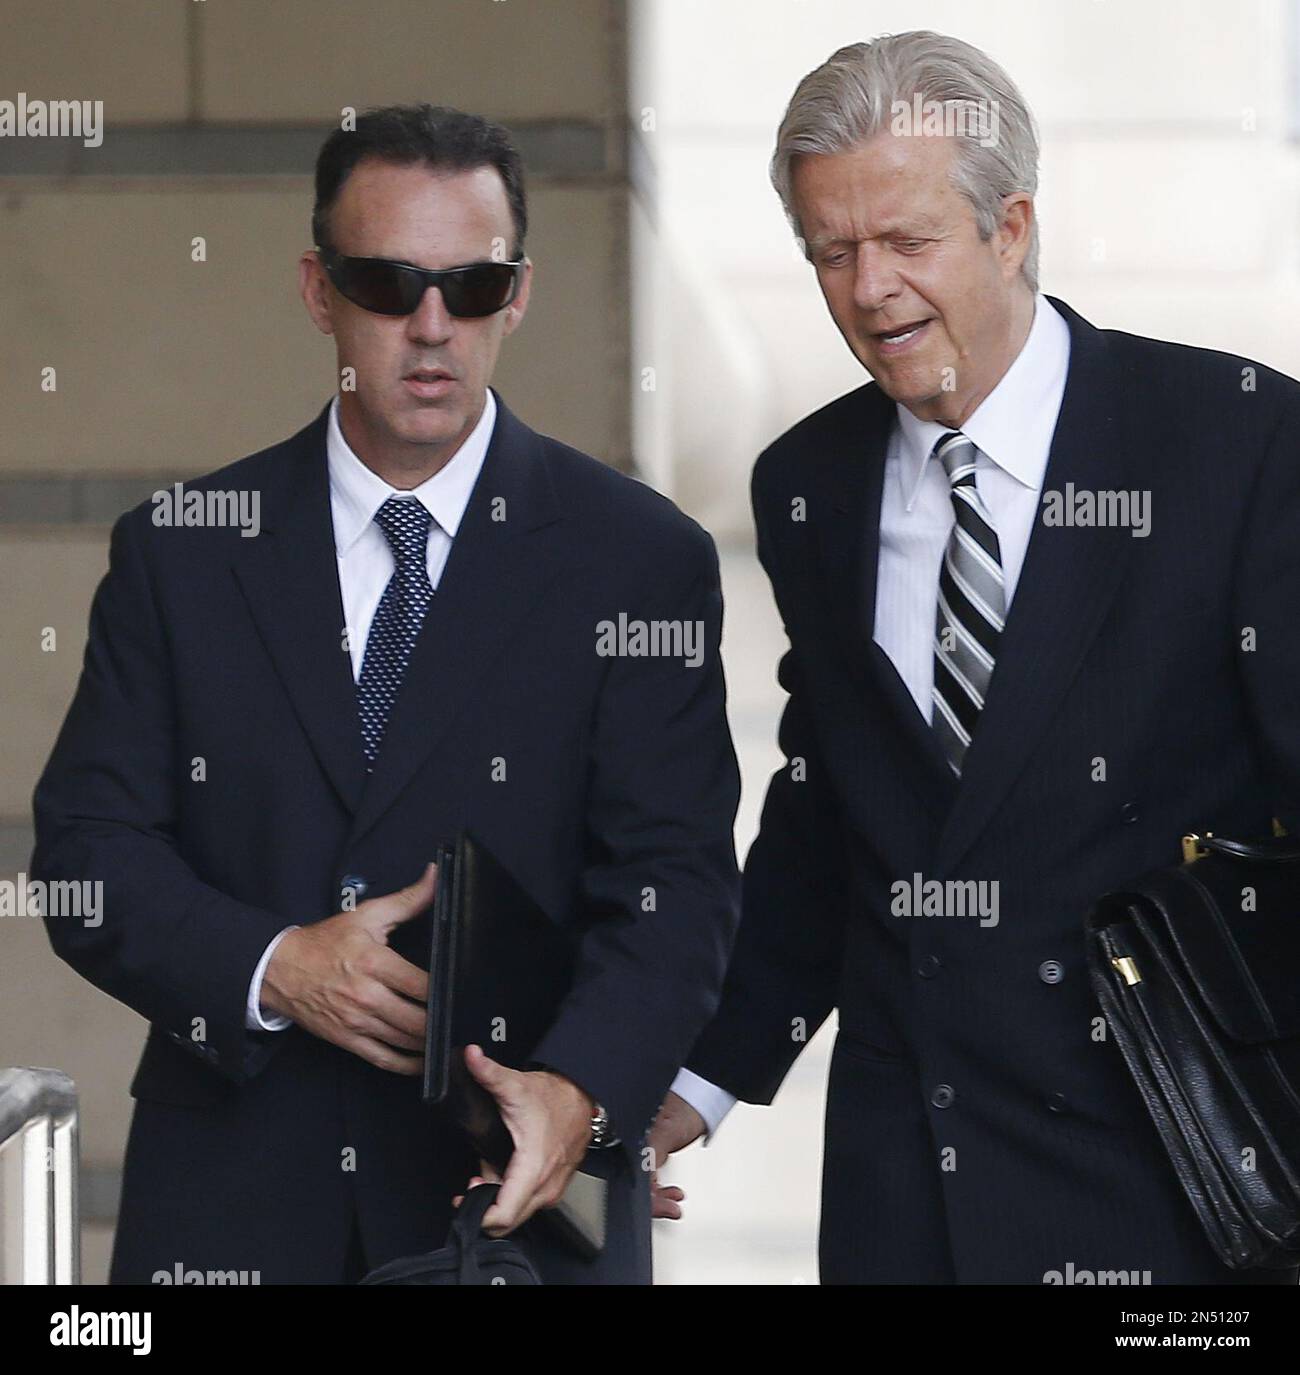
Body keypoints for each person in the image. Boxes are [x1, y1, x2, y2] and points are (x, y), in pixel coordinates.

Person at [33, 103, 741, 1285]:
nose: (430, 327)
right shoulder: (183, 551)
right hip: (227, 1205)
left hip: (505, 1210)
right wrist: (273, 964)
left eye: (471, 288)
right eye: (386, 281)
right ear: (319, 290)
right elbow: (85, 854)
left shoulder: (639, 559)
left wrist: (580, 1092)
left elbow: (676, 887)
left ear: (517, 296)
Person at [651, 31, 1300, 1285]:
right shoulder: (808, 485)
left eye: (905, 242)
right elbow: (830, 818)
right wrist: (691, 1081)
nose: (870, 289)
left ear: (1010, 226)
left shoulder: (1235, 440)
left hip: (1175, 1185)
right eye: (831, 252)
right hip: (913, 1188)